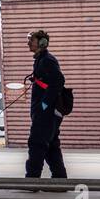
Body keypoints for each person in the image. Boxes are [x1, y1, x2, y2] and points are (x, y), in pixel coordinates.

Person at [25, 29, 67, 179]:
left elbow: (58, 82)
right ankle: (60, 180)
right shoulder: (41, 60)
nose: (28, 43)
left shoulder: (47, 60)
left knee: (37, 144)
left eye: (32, 40)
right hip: (46, 113)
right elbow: (49, 83)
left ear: (42, 43)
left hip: (46, 114)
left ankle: (32, 180)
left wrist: (43, 105)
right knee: (51, 147)